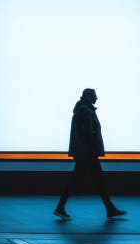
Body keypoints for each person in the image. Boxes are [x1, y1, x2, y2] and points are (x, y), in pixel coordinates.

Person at [54, 88, 126, 221]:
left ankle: (110, 209)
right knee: (97, 181)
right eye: (94, 95)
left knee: (86, 181)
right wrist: (93, 149)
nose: (96, 98)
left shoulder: (81, 110)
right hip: (88, 153)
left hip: (83, 152)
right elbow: (88, 133)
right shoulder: (86, 111)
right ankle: (110, 209)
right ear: (88, 97)